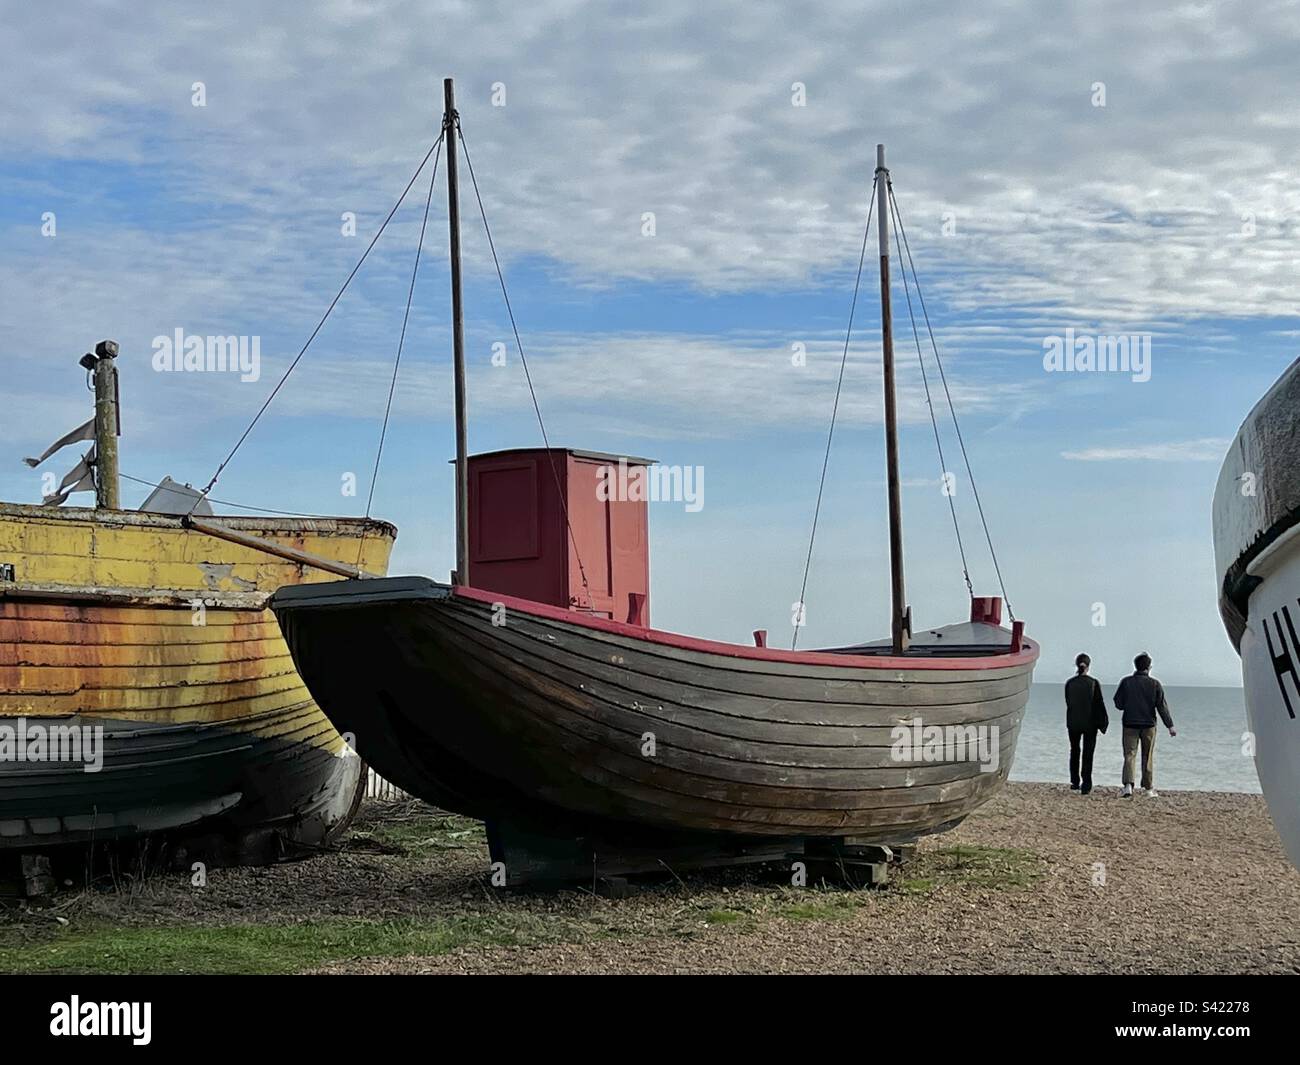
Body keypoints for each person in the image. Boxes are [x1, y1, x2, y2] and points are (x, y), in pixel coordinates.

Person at [1113, 652, 1176, 797]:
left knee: (1129, 754)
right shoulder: (1155, 684)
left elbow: (1118, 703)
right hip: (1149, 725)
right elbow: (1162, 707)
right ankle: (1148, 788)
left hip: (1129, 723)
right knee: (1147, 756)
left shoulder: (1126, 682)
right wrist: (1170, 725)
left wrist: (1129, 704)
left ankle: (1128, 785)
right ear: (1149, 667)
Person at [1064, 653, 1108, 794]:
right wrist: (1103, 723)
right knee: (1088, 753)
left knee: (1074, 750)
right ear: (1088, 666)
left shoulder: (1070, 683)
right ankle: (1086, 783)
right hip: (1090, 723)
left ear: (1077, 665)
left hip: (1073, 722)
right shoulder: (1093, 683)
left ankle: (1075, 781)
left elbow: (1068, 702)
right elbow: (1099, 703)